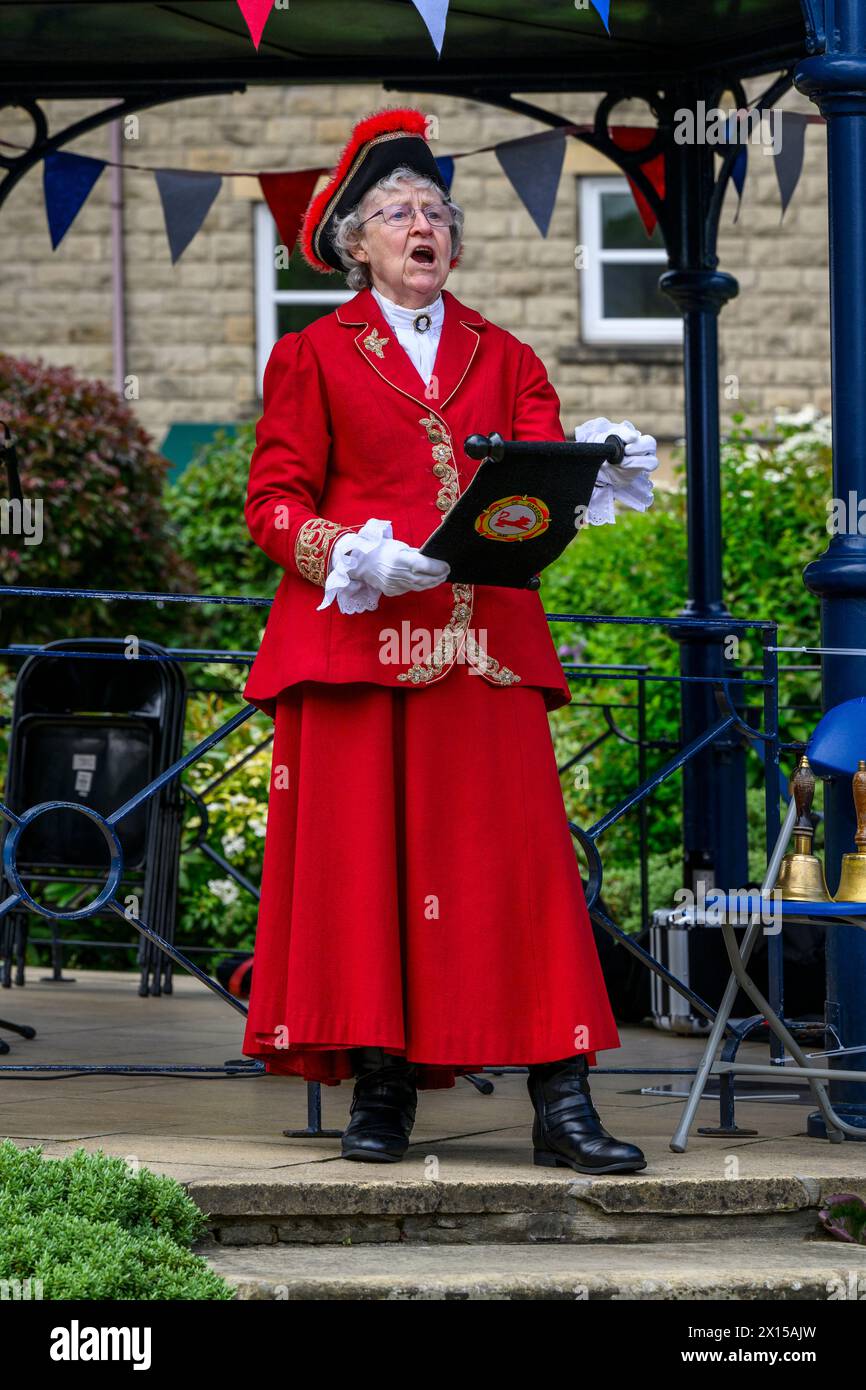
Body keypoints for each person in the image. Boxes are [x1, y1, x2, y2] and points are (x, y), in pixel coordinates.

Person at [240, 106, 657, 1174]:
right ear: (354, 241)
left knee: (517, 876)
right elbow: (272, 504)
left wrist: (582, 476)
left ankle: (560, 1101)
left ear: (453, 240)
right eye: (395, 211)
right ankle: (381, 1087)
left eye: (433, 209)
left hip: (484, 652)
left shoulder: (506, 355)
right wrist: (351, 553)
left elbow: (526, 512)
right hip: (355, 653)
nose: (419, 223)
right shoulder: (311, 355)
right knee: (368, 878)